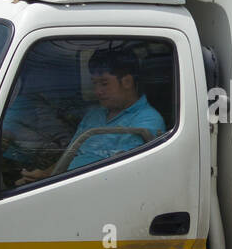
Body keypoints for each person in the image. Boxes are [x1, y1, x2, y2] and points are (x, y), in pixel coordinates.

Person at [11, 46, 164, 184]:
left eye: (104, 83)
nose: (97, 91)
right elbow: (71, 155)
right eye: (94, 83)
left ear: (127, 82)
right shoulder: (95, 114)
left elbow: (120, 175)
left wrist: (54, 180)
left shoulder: (147, 121)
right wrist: (45, 175)